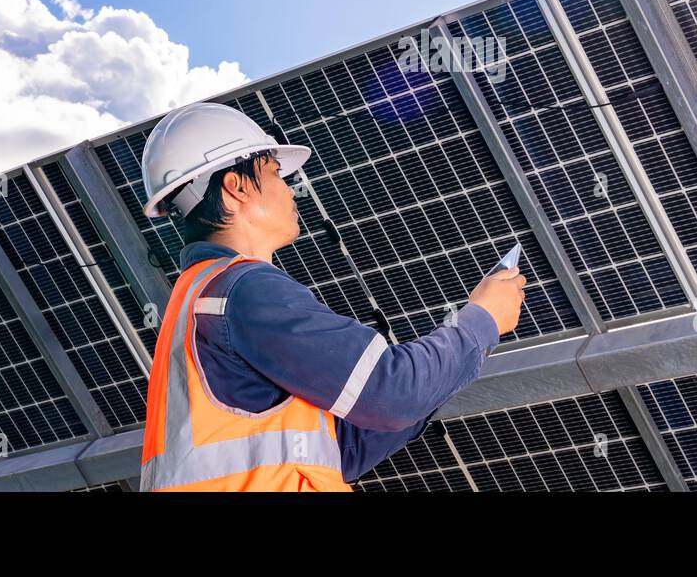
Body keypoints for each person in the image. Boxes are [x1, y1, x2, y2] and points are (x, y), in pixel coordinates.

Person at [137, 101, 527, 491]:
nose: (291, 190)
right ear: (236, 187)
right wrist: (482, 320)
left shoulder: (198, 297)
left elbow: (341, 450)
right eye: (275, 173)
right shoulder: (242, 289)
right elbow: (391, 393)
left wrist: (435, 381)